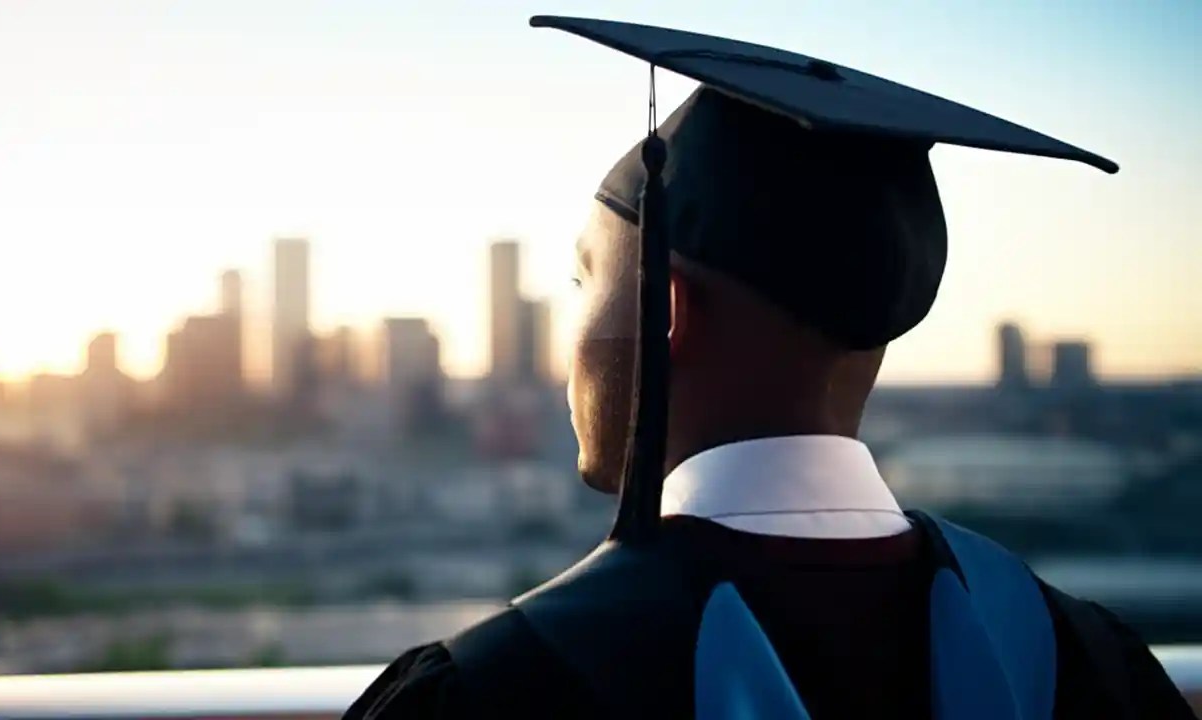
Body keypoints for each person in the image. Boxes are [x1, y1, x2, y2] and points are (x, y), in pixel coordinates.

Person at [346, 16, 1196, 720]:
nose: (569, 336)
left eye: (583, 281)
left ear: (666, 308)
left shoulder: (493, 694)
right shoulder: (1085, 661)